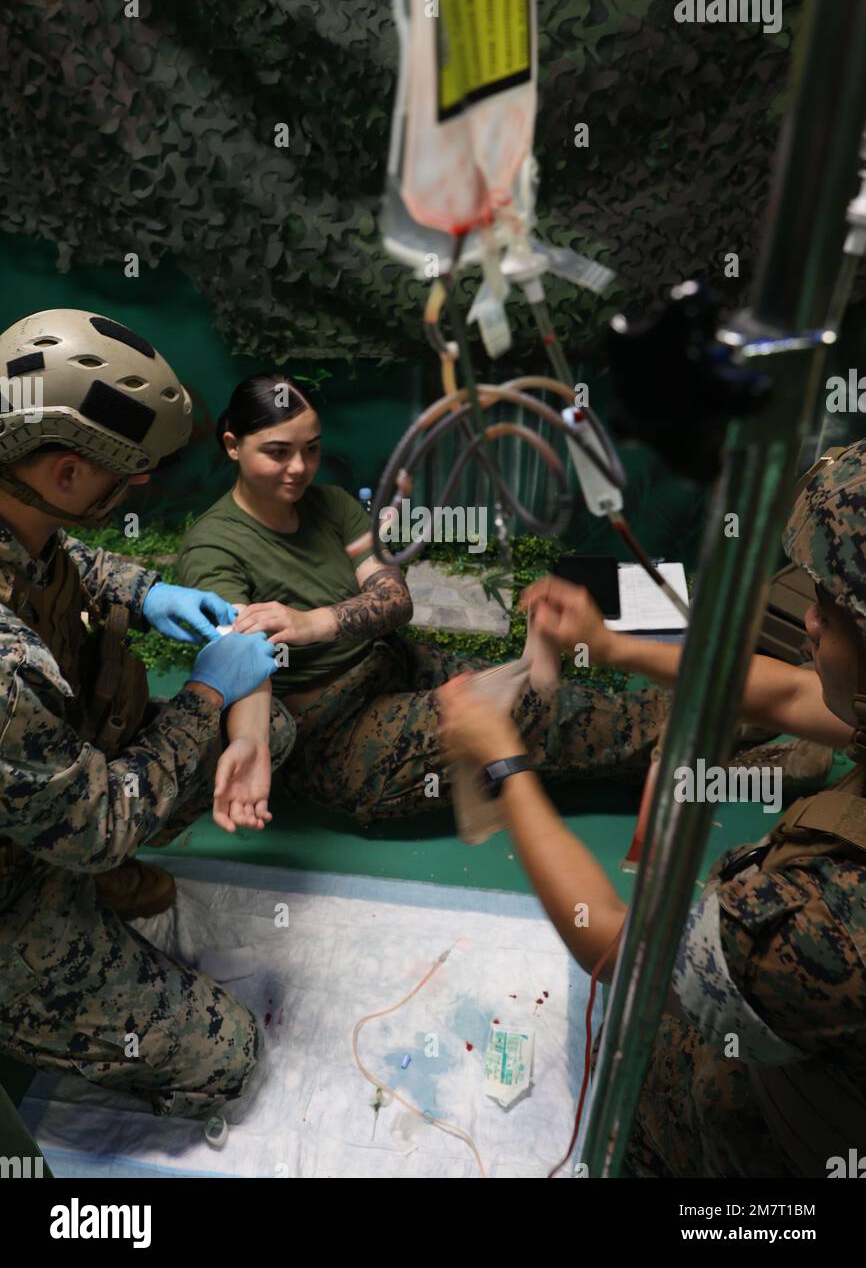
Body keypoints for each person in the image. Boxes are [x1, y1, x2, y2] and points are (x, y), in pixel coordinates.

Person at [436, 438, 866, 1177]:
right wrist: (614, 645)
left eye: (831, 607)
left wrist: (503, 760)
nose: (810, 621)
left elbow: (612, 947)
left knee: (654, 1076)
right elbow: (792, 694)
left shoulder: (825, 918)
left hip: (808, 1140)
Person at [178, 373, 830, 829]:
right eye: (277, 453)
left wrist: (314, 621)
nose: (299, 468)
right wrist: (251, 747)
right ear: (232, 446)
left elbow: (393, 597)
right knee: (533, 721)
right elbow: (243, 673)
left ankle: (724, 732)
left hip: (388, 660)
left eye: (311, 449)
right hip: (331, 733)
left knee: (545, 690)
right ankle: (741, 736)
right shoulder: (214, 550)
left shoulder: (330, 502)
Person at [0, 309, 294, 1124]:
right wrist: (205, 693)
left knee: (271, 728)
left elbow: (58, 556)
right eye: (124, 480)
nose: (134, 490)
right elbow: (100, 821)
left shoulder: (14, 484)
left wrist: (143, 591)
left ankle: (83, 891)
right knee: (226, 1057)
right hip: (44, 854)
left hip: (42, 797)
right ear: (64, 473)